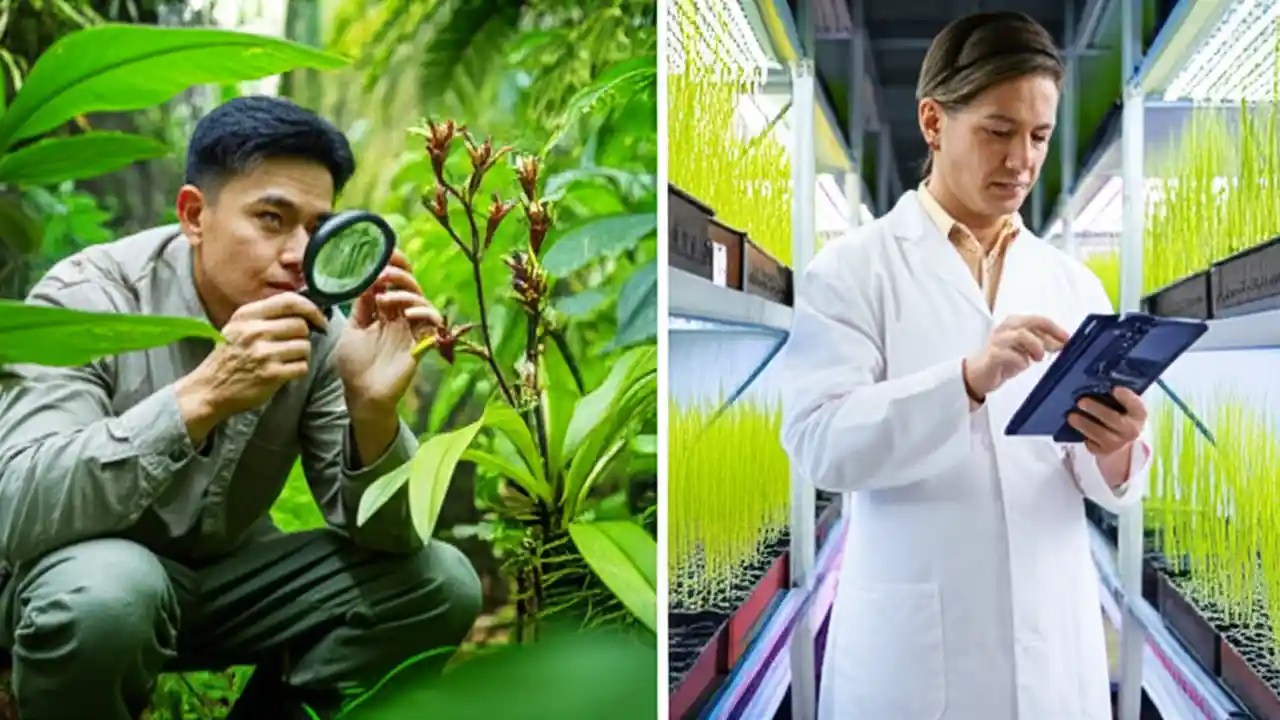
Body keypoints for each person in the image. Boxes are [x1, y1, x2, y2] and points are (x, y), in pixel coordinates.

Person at [0, 96, 482, 720]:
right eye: (272, 219)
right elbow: (15, 506)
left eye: (316, 227)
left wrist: (373, 411)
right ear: (195, 215)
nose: (297, 253)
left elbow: (394, 537)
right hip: (82, 587)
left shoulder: (322, 325)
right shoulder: (86, 299)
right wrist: (202, 396)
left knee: (440, 584)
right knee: (111, 594)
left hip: (229, 585)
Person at [780, 12, 1151, 720]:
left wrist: (1118, 448)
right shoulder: (854, 271)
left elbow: (1100, 484)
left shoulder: (1072, 285)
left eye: (1039, 136)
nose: (1022, 161)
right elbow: (820, 443)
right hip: (913, 663)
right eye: (998, 131)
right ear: (932, 121)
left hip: (1053, 653)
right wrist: (964, 383)